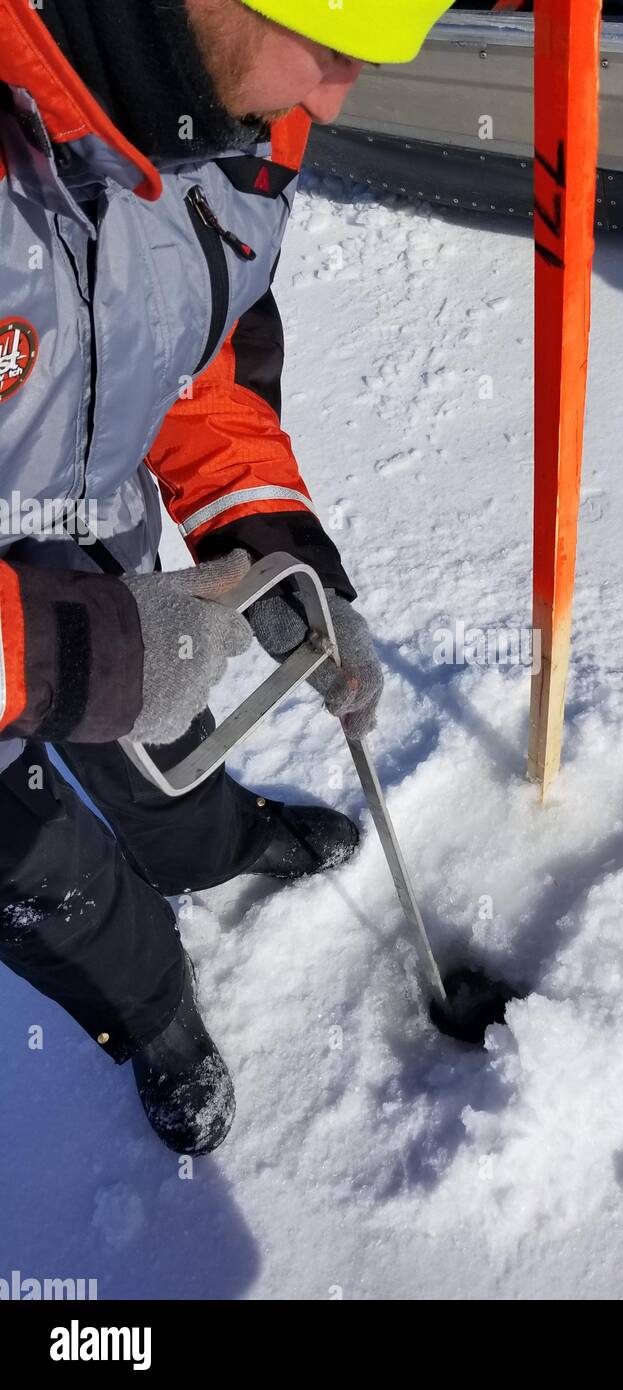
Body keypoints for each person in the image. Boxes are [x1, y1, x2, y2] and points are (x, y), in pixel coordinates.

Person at [0, 0, 453, 1156]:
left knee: (161, 724)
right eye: (339, 45)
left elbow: (194, 369)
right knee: (39, 873)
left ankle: (211, 843)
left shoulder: (226, 140)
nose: (340, 96)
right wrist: (72, 653)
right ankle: (153, 1016)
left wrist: (279, 549)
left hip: (86, 546)